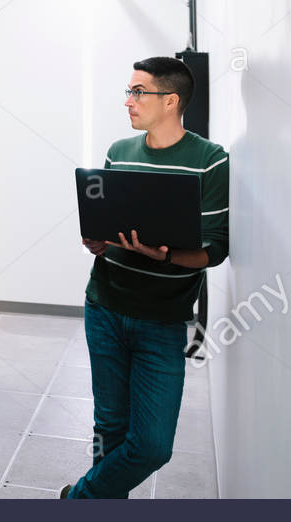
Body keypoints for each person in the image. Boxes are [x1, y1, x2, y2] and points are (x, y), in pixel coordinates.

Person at [61, 56, 229, 499]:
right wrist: (97, 241)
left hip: (161, 319)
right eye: (128, 91)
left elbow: (214, 250)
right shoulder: (119, 152)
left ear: (170, 101)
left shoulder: (210, 161)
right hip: (104, 305)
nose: (128, 102)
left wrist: (166, 254)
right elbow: (107, 222)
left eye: (138, 92)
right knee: (109, 425)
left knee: (152, 445)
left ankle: (80, 499)